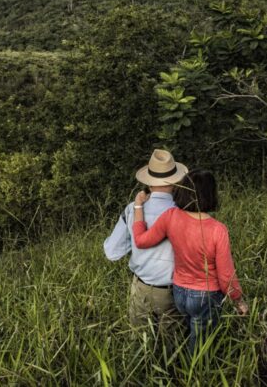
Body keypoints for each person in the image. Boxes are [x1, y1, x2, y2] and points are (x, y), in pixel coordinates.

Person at [132, 169, 248, 352]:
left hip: (179, 293)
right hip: (205, 296)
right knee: (200, 348)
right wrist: (238, 300)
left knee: (188, 334)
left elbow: (140, 240)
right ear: (211, 194)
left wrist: (138, 207)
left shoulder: (171, 216)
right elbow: (226, 275)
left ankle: (176, 367)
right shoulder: (218, 229)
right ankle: (193, 376)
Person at [103, 149, 188, 328]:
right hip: (174, 291)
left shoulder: (132, 209)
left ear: (148, 183)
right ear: (176, 181)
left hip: (140, 288)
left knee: (141, 346)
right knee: (173, 348)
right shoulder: (184, 212)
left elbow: (112, 252)